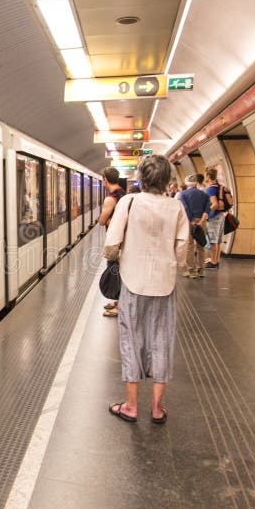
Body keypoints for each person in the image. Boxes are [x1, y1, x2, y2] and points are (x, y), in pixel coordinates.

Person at [103, 155, 187, 424]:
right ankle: (157, 408)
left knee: (131, 340)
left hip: (132, 280)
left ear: (141, 177)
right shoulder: (176, 207)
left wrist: (115, 255)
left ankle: (130, 406)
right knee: (162, 340)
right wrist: (174, 266)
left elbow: (111, 241)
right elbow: (182, 247)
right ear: (167, 180)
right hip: (164, 283)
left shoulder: (130, 201)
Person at [98, 167, 125, 318]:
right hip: (123, 238)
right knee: (119, 269)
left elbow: (102, 221)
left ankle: (121, 305)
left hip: (115, 239)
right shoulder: (123, 194)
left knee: (116, 270)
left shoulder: (110, 198)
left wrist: (107, 219)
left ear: (105, 180)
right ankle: (119, 300)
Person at [178, 174, 211, 278]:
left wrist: (192, 221)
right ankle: (201, 270)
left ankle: (191, 270)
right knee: (201, 245)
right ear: (196, 183)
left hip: (189, 221)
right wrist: (201, 220)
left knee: (189, 246)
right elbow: (208, 208)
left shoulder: (183, 194)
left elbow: (186, 208)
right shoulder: (204, 194)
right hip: (202, 221)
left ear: (187, 183)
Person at [204, 168, 226, 269]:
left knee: (213, 241)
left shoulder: (211, 189)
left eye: (205, 175)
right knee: (217, 241)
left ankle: (213, 262)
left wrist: (207, 212)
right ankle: (216, 260)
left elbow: (215, 204)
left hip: (214, 217)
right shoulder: (219, 186)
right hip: (221, 215)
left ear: (208, 176)